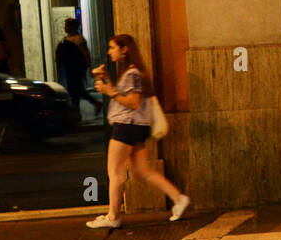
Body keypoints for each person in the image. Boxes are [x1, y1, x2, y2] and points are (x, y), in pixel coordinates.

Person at [86, 34, 190, 227]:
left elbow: (133, 103)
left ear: (124, 49)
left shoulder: (132, 73)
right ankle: (179, 198)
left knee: (115, 172)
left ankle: (112, 217)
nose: (109, 52)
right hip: (135, 127)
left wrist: (110, 92)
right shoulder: (131, 72)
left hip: (126, 126)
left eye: (112, 47)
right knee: (142, 172)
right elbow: (125, 97)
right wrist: (106, 80)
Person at [56, 18, 104, 117]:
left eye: (66, 26)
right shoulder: (67, 38)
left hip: (76, 69)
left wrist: (89, 67)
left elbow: (85, 54)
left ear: (72, 27)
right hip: (69, 68)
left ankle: (78, 112)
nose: (65, 27)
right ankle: (91, 105)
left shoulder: (79, 39)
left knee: (75, 90)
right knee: (76, 90)